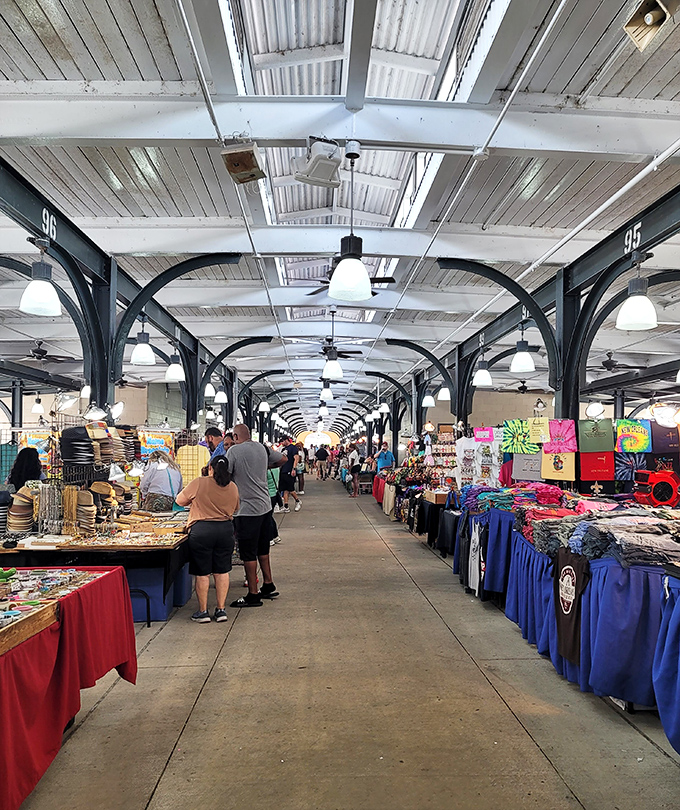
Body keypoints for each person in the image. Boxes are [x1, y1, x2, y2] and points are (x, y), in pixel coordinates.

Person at [226, 424, 286, 607]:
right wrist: (265, 467)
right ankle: (268, 583)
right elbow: (283, 459)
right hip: (265, 506)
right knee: (262, 549)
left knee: (248, 553)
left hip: (246, 510)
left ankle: (253, 593)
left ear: (235, 436)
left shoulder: (234, 452)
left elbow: (225, 475)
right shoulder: (262, 448)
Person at [176, 456, 239, 623]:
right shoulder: (232, 486)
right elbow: (236, 507)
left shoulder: (199, 482)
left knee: (202, 572)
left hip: (202, 531)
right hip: (225, 530)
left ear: (210, 467)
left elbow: (179, 500)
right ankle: (221, 610)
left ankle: (203, 612)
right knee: (222, 571)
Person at [279, 437, 302, 513]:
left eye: (282, 441)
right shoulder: (283, 449)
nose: (282, 443)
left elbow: (296, 458)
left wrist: (293, 468)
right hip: (283, 470)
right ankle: (286, 505)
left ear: (286, 440)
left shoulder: (293, 448)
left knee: (290, 488)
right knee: (285, 489)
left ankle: (297, 501)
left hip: (289, 470)